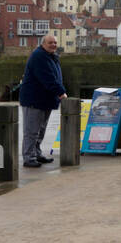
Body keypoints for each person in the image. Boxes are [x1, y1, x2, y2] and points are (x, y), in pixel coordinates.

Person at [19, 34, 69, 167]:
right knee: (31, 131)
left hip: (45, 100)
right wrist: (61, 93)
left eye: (55, 42)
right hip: (34, 100)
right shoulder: (39, 56)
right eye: (50, 43)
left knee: (40, 130)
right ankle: (28, 157)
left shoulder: (51, 57)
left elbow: (55, 78)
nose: (53, 45)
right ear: (43, 44)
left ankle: (36, 153)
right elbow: (48, 78)